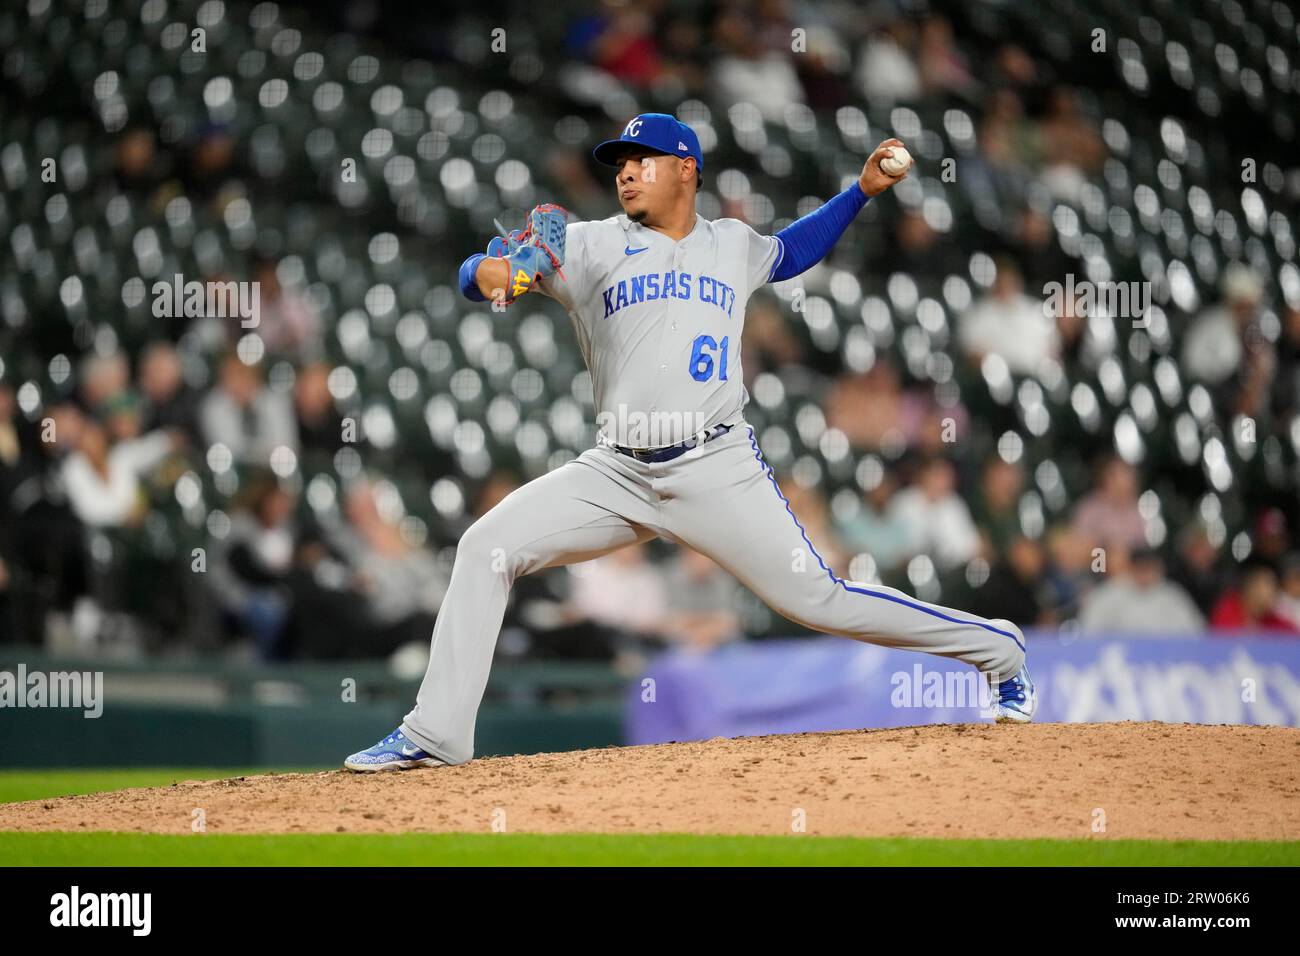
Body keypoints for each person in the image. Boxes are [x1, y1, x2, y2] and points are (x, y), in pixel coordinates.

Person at [344, 113, 1034, 771]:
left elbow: (792, 250)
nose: (626, 172)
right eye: (619, 163)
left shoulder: (731, 244)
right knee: (484, 548)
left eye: (642, 160)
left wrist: (859, 193)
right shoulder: (588, 244)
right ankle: (436, 734)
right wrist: (494, 273)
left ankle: (998, 651)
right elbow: (480, 274)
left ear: (686, 170)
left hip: (715, 467)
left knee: (822, 601)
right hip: (616, 473)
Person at [1077, 547, 1206, 635]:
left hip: (1164, 661)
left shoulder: (1172, 595)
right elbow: (1089, 630)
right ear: (1131, 568)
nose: (1145, 574)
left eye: (1149, 568)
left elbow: (1195, 632)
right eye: (1141, 568)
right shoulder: (1109, 593)